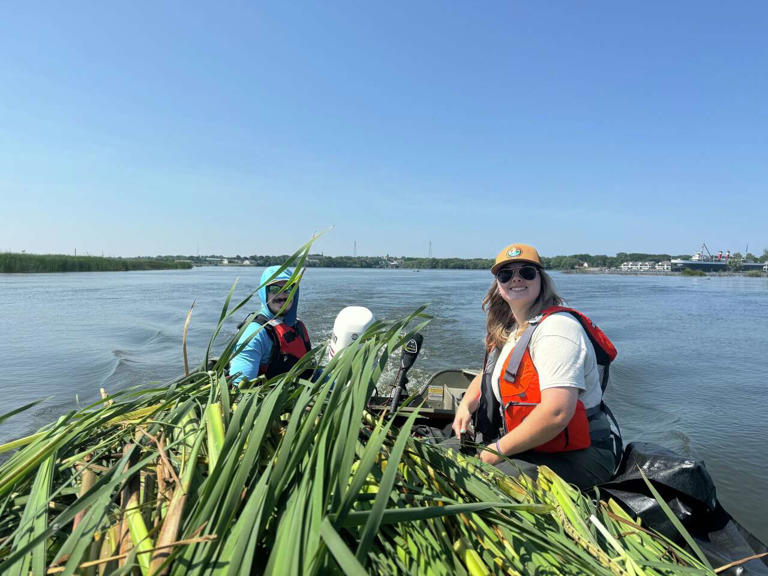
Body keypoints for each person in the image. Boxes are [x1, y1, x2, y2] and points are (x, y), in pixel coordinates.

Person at [451, 243, 621, 489]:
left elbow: (557, 412)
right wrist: (466, 405)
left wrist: (495, 451)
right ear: (498, 285)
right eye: (506, 274)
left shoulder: (556, 330)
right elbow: (489, 375)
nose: (516, 279)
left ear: (541, 280)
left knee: (474, 482)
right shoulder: (516, 330)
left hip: (579, 455)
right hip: (534, 444)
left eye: (527, 272)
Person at [229, 265, 311, 384]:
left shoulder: (298, 326)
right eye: (274, 289)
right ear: (264, 293)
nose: (282, 295)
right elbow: (241, 388)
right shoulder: (254, 334)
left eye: (288, 289)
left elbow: (312, 370)